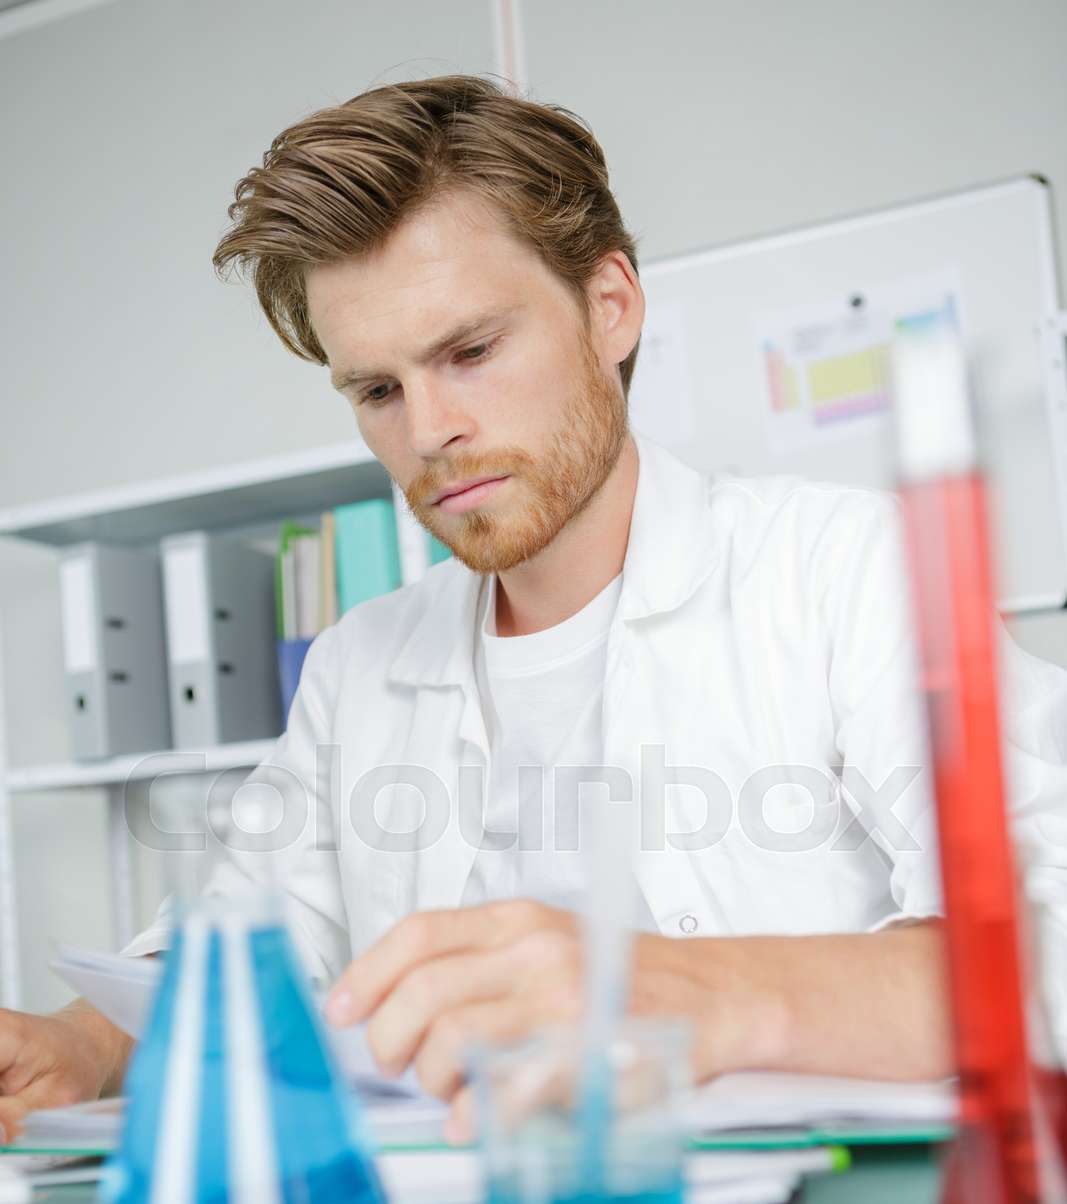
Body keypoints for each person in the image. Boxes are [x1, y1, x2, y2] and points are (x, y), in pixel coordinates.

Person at [2, 75, 1066, 1144]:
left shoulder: (844, 569)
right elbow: (252, 938)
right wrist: (84, 1047)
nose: (427, 431)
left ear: (609, 306)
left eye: (469, 352)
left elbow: (1038, 934)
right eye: (376, 390)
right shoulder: (361, 663)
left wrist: (688, 995)